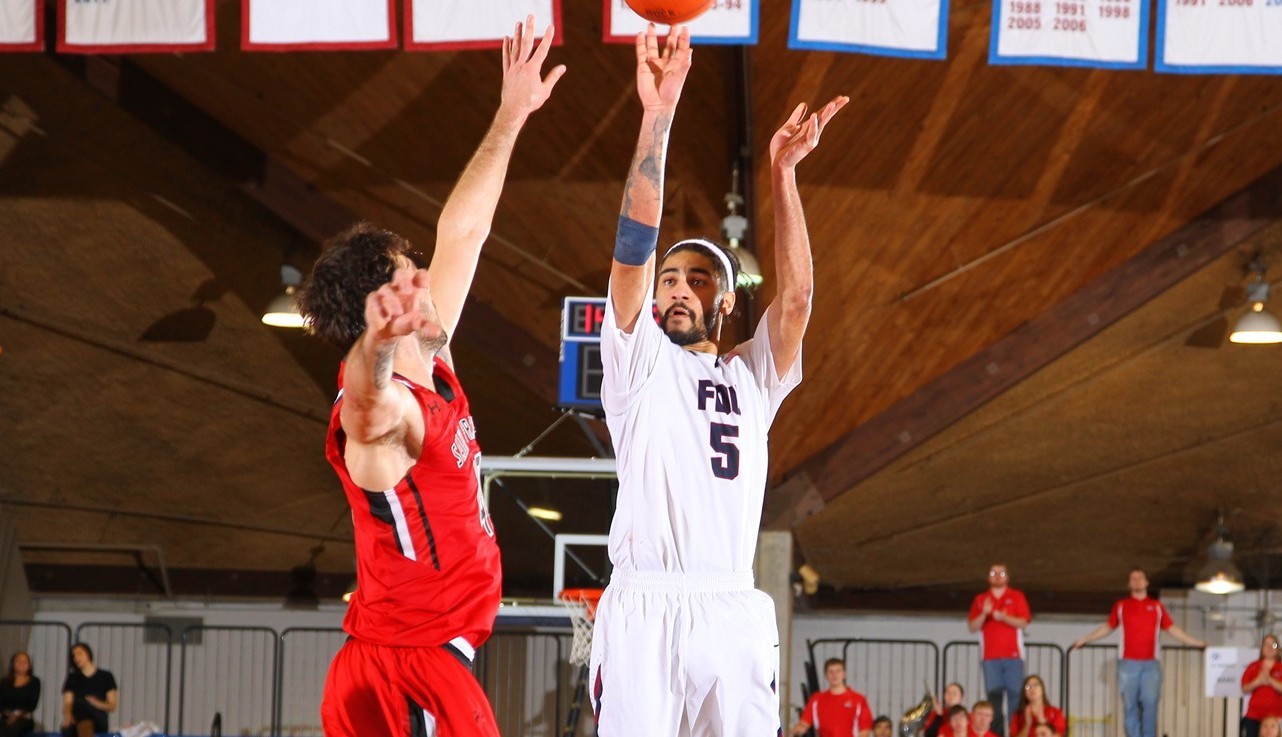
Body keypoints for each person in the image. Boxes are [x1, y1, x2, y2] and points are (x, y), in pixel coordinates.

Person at [297, 15, 565, 737]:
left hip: (427, 656)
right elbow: (365, 404)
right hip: (397, 670)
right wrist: (375, 348)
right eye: (408, 276)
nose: (425, 277)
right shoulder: (390, 415)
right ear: (380, 312)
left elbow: (464, 229)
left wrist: (511, 115)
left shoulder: (437, 362)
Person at [588, 19, 847, 737]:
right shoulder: (638, 361)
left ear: (726, 302)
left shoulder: (750, 376)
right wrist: (659, 113)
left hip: (731, 604)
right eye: (669, 278)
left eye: (696, 280)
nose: (676, 288)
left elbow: (796, 301)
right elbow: (634, 243)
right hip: (648, 606)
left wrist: (784, 175)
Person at [1070, 568, 1206, 737]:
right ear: (1129, 584)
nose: (1136, 581)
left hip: (1151, 663)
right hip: (1128, 664)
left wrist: (1196, 643)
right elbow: (1108, 627)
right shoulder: (1121, 606)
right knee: (1129, 706)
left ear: (1146, 582)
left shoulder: (1156, 606)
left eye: (1140, 578)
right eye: (1132, 579)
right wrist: (1086, 639)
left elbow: (1172, 629)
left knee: (1150, 703)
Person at [969, 563, 1031, 737]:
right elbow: (972, 627)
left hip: (1013, 656)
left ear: (1007, 576)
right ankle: (996, 734)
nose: (997, 576)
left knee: (1015, 698)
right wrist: (984, 614)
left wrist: (1004, 617)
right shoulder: (981, 599)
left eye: (1001, 573)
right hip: (990, 657)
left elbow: (1024, 622)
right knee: (994, 699)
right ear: (988, 577)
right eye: (993, 573)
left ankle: (1014, 733)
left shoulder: (1017, 596)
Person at [789, 658, 872, 737]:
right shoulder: (816, 699)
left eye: (838, 671)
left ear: (844, 674)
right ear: (826, 675)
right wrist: (796, 730)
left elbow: (864, 731)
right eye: (831, 672)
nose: (834, 675)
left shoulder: (858, 699)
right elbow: (804, 723)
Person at [60, 643, 115, 737]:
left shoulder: (106, 676)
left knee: (84, 706)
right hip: (77, 716)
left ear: (88, 653)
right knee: (70, 724)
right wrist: (68, 715)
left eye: (79, 653)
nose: (76, 658)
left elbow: (112, 705)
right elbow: (68, 702)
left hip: (96, 715)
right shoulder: (72, 678)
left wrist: (97, 703)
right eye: (74, 656)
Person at [1241, 633, 1282, 737]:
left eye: (1273, 645)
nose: (1269, 648)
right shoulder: (1253, 666)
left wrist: (1270, 680)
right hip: (1254, 716)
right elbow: (1244, 688)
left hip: (1276, 716)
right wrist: (1258, 681)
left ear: (1278, 649)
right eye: (1266, 644)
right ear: (1262, 649)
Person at [0, 652, 39, 737]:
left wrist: (17, 715)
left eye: (25, 661)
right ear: (13, 664)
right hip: (6, 717)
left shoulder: (34, 682)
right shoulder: (4, 682)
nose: (22, 663)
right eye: (19, 661)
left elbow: (32, 704)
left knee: (12, 730)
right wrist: (7, 713)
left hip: (24, 719)